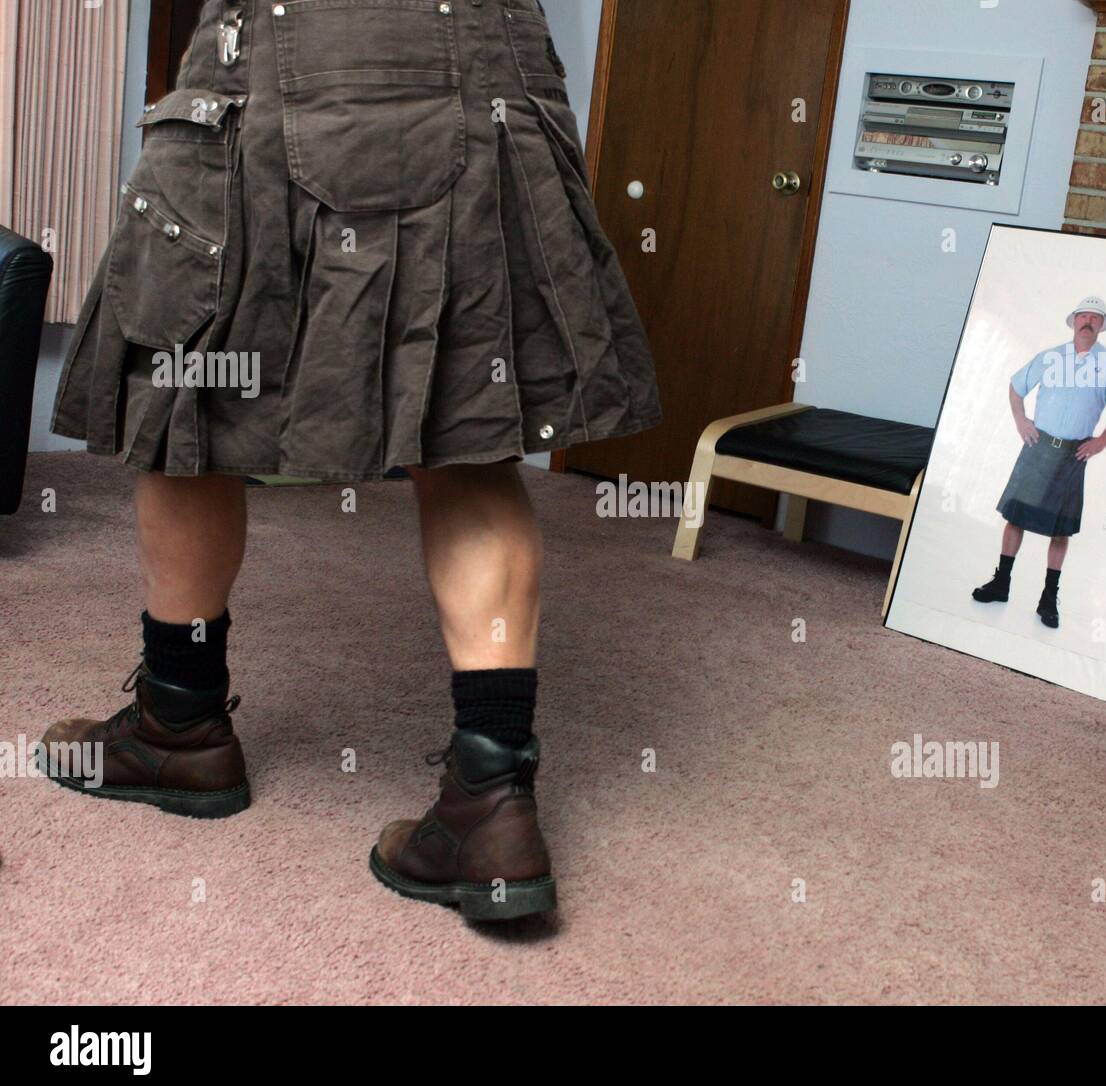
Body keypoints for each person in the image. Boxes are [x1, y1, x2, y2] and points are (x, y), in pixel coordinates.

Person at [42, 0, 661, 922]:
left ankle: (178, 719)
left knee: (189, 396)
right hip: (480, 66)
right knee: (469, 434)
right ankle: (492, 801)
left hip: (274, 53)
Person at [972, 296, 1106, 629]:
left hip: (1073, 454)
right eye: (1083, 316)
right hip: (1038, 445)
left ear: (1102, 325)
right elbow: (1016, 387)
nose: (1088, 321)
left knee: (1060, 531)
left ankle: (1048, 599)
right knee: (1015, 517)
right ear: (1073, 321)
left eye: (1095, 317)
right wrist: (1021, 421)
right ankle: (1001, 584)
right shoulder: (1049, 357)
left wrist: (1101, 442)